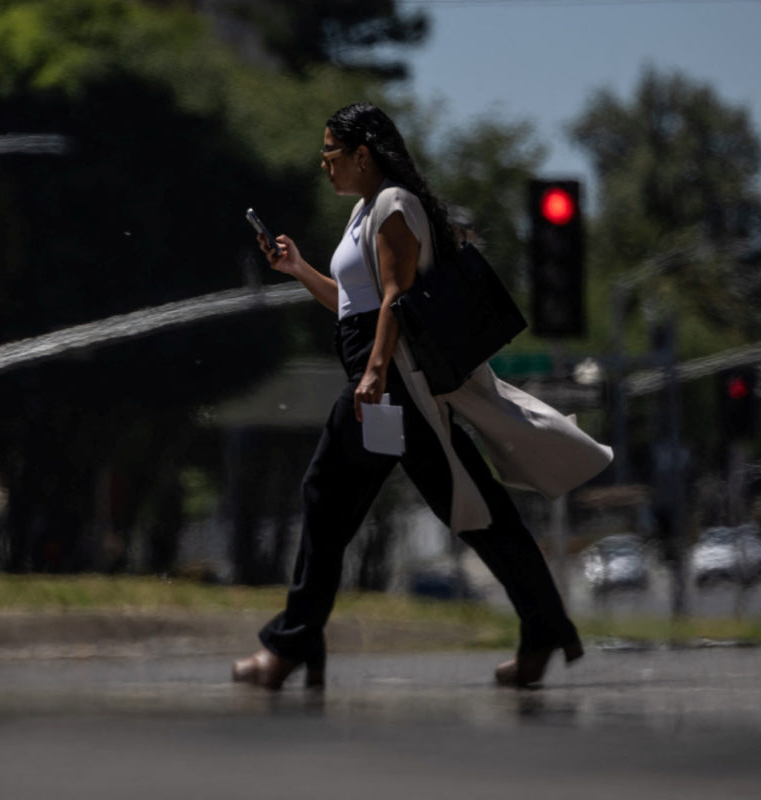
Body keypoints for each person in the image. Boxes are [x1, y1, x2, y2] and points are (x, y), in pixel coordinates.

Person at [231, 103, 613, 691]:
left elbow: (394, 300)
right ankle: (543, 629)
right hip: (381, 378)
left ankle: (293, 647)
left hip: (394, 383)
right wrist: (300, 269)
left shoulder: (393, 205)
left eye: (332, 153)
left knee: (338, 498)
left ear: (363, 154)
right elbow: (353, 306)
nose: (325, 165)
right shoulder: (365, 211)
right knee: (469, 509)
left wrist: (376, 371)